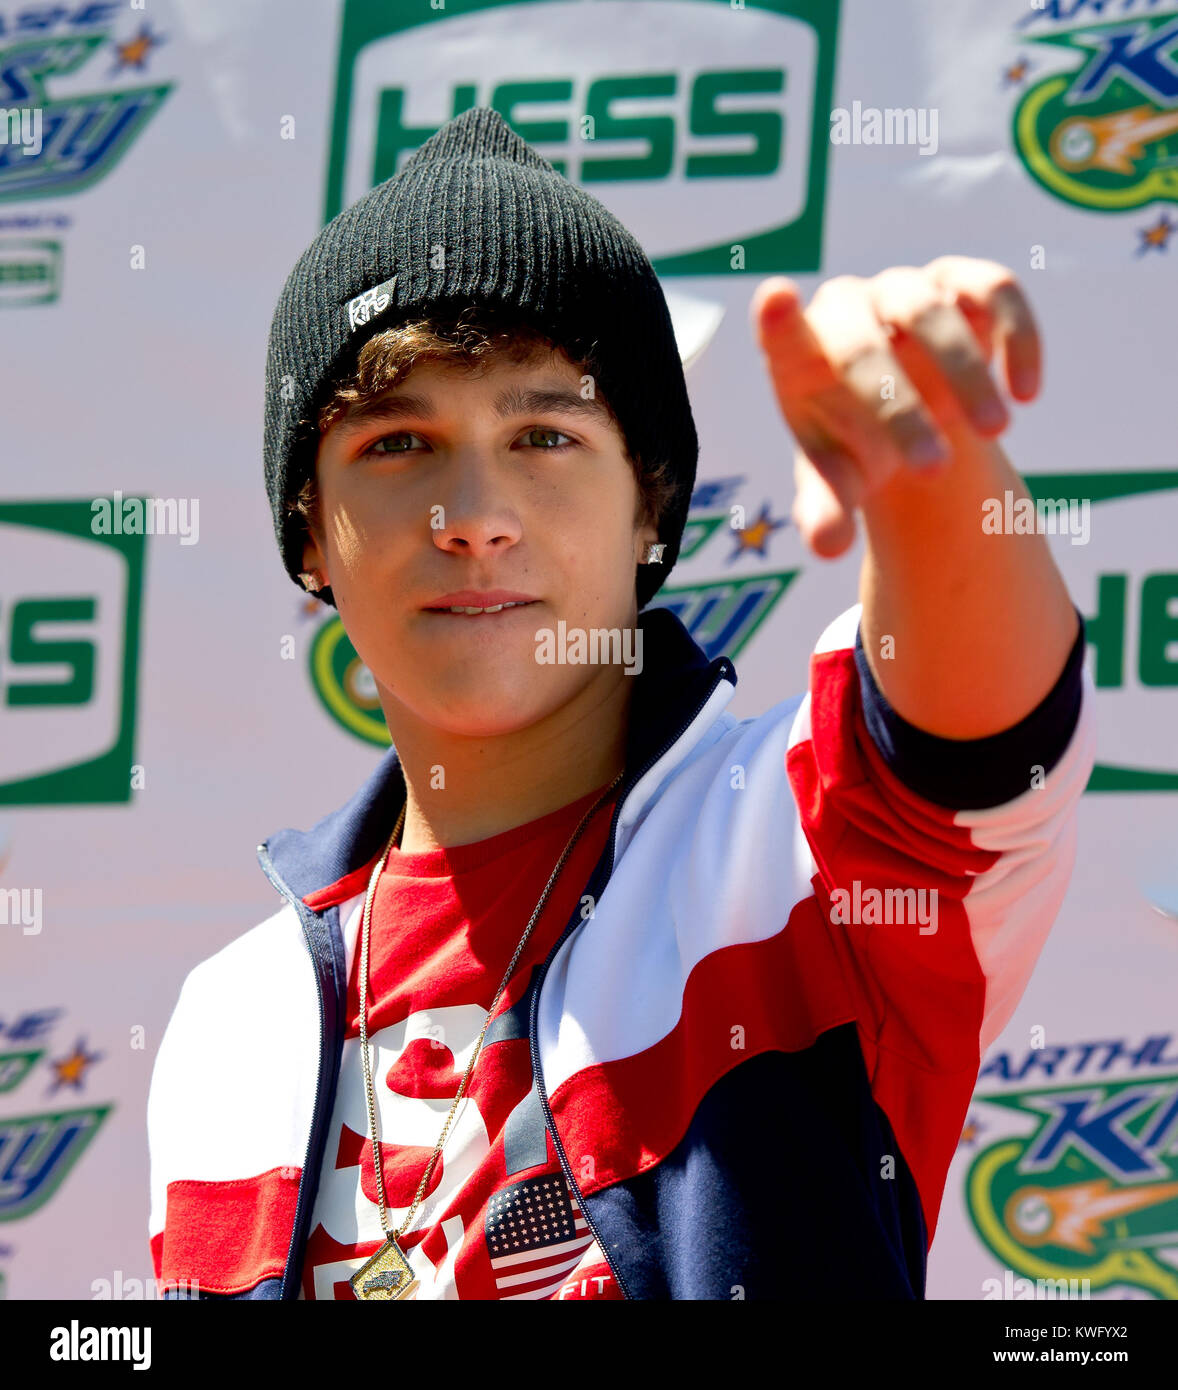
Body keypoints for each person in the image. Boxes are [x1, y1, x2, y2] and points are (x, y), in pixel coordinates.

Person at [146, 106, 1094, 1300]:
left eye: (543, 432)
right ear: (309, 539)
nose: (472, 514)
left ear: (652, 506)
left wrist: (927, 466)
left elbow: (975, 746)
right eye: (396, 442)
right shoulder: (228, 1021)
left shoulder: (786, 855)